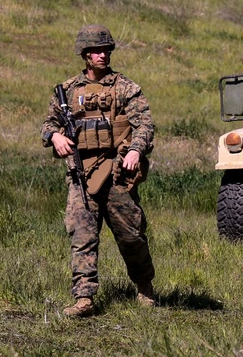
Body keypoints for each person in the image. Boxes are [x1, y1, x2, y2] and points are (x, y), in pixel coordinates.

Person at [40, 24, 156, 318]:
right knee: (82, 237)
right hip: (82, 175)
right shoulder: (67, 91)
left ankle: (144, 287)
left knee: (131, 237)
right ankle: (84, 298)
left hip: (117, 175)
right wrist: (54, 137)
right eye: (96, 51)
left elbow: (145, 125)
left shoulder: (125, 88)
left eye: (106, 50)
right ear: (85, 55)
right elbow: (48, 124)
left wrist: (135, 150)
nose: (102, 55)